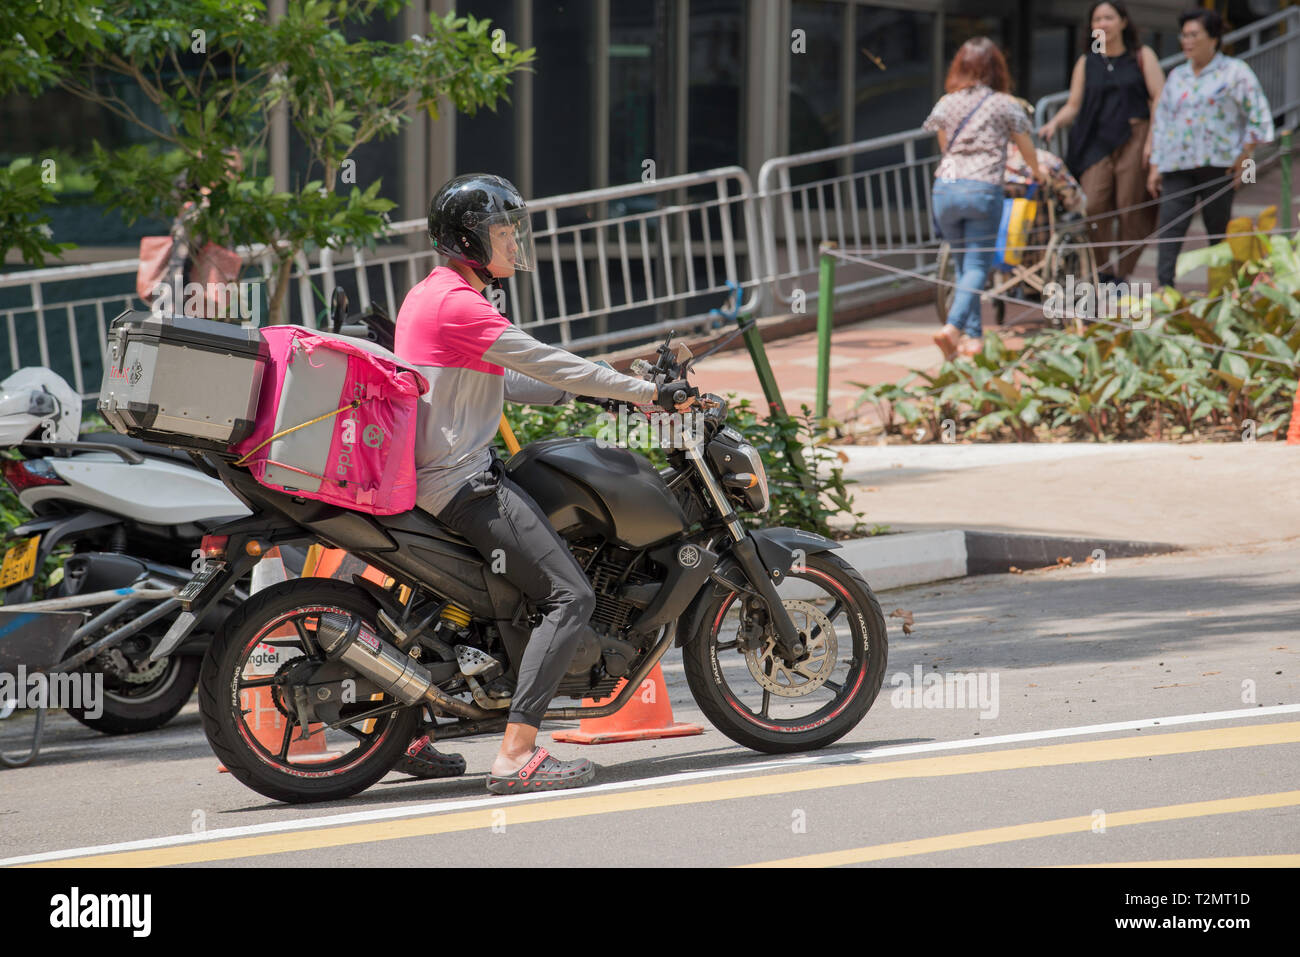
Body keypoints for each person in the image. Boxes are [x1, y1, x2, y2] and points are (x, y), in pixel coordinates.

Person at [392, 173, 694, 793]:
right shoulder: (459, 303)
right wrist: (644, 391)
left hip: (433, 476)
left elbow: (512, 378)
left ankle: (408, 728)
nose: (513, 241)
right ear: (471, 239)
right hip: (458, 481)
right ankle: (516, 755)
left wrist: (600, 391)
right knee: (569, 596)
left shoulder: (436, 293)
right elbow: (543, 359)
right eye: (503, 231)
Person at [924, 38, 1043, 360]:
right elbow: (1025, 145)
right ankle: (952, 329)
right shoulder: (1004, 103)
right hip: (982, 188)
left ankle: (974, 338)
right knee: (978, 264)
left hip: (945, 189)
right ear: (996, 68)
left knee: (964, 265)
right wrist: (1036, 172)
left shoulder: (947, 102)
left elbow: (944, 144)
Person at [1037, 2, 1164, 284]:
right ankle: (1102, 270)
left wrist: (1151, 144)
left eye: (1108, 18)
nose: (1103, 24)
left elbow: (1159, 98)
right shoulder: (1087, 61)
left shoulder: (1142, 56)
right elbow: (1073, 105)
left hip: (1135, 136)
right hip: (1095, 142)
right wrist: (1054, 123)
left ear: (1123, 22)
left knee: (1130, 206)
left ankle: (1125, 271)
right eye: (1097, 19)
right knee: (1092, 205)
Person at [1148, 8, 1274, 290]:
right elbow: (1163, 122)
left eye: (1194, 35)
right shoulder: (1177, 76)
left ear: (1214, 38)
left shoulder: (1235, 72)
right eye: (1184, 35)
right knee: (1170, 230)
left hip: (1219, 166)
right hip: (1177, 166)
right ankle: (1165, 292)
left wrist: (1245, 158)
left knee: (1218, 231)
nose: (1186, 41)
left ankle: (1223, 296)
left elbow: (1259, 117)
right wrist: (1156, 165)